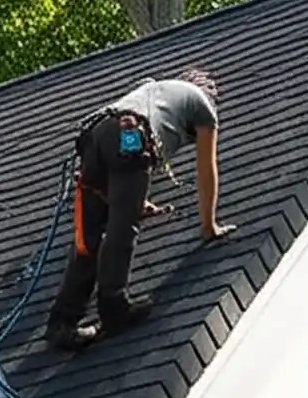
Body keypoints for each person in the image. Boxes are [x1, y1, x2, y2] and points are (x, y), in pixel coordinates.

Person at [44, 68, 236, 351]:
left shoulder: (155, 88)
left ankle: (62, 322)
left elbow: (117, 162)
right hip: (131, 135)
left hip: (96, 136)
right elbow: (207, 170)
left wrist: (131, 199)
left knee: (89, 237)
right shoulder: (203, 106)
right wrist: (209, 227)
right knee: (124, 226)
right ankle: (114, 305)